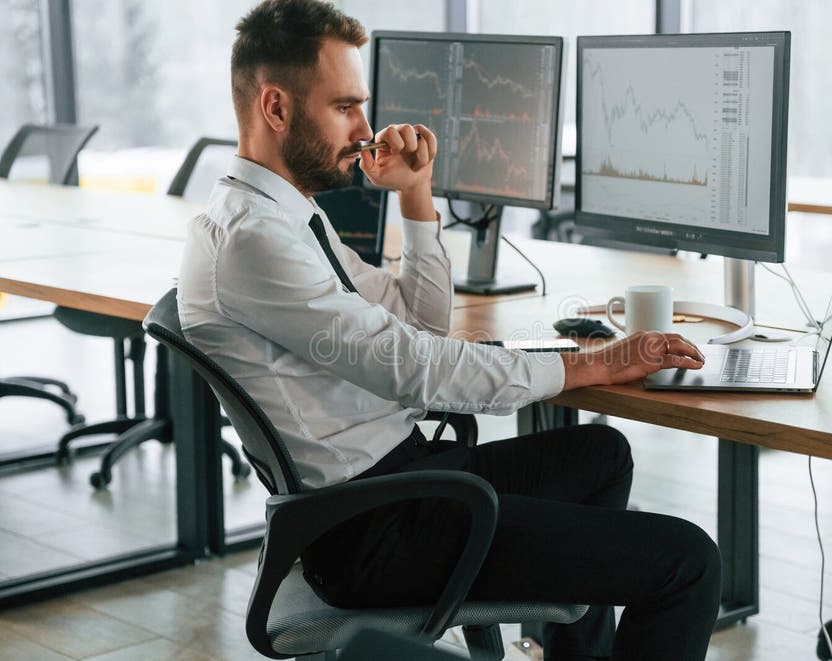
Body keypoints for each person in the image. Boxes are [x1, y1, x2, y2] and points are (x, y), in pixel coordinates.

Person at [177, 1, 722, 658]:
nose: (365, 129)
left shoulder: (285, 217)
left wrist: (414, 194)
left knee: (599, 457)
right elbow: (415, 363)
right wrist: (593, 364)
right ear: (275, 108)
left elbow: (416, 321)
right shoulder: (254, 239)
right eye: (345, 106)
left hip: (401, 480)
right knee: (688, 562)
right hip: (372, 529)